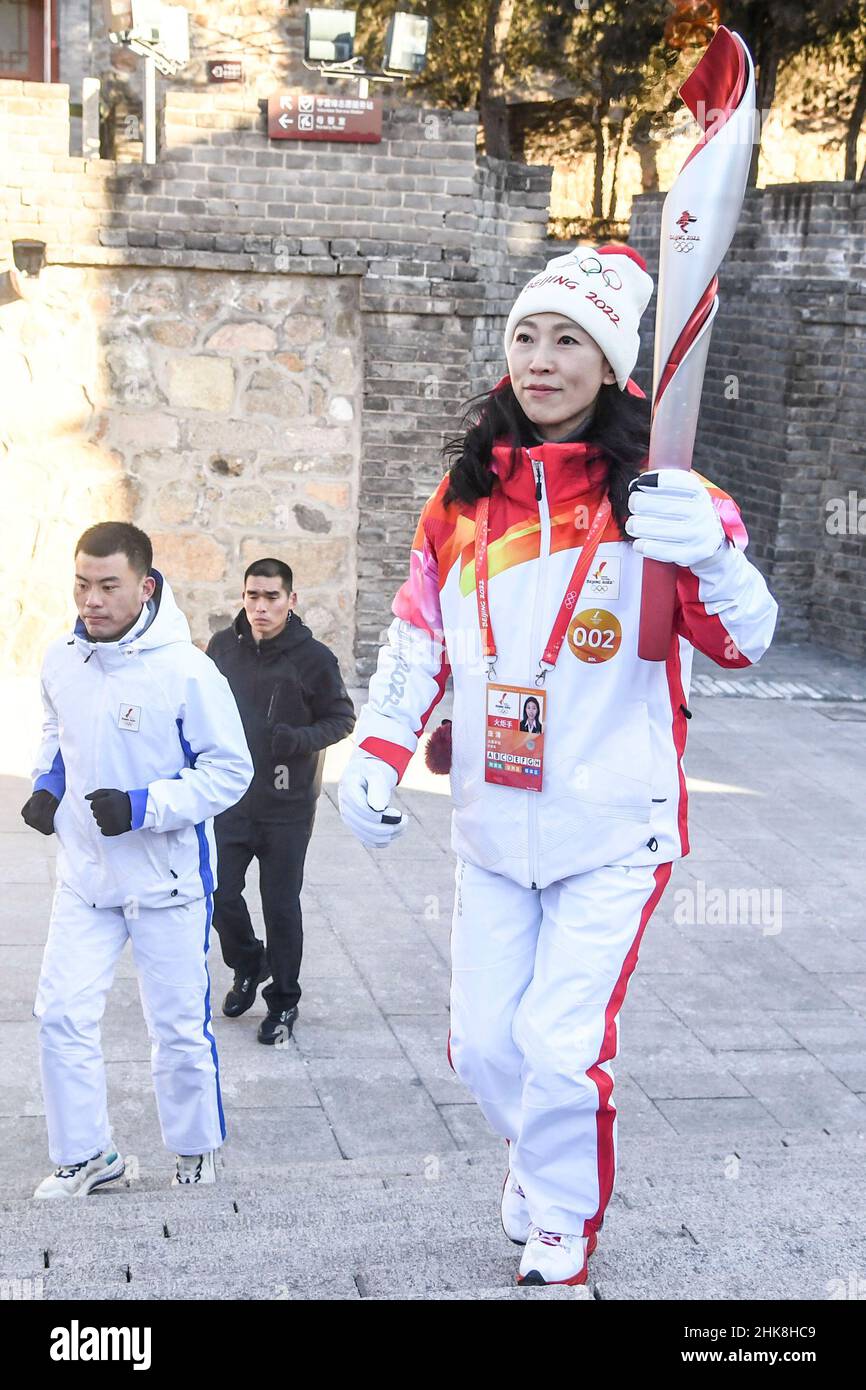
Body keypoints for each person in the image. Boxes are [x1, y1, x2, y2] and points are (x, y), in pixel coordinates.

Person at [338, 245, 778, 1286]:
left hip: (613, 826)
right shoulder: (458, 502)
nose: (540, 360)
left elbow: (743, 639)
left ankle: (561, 1228)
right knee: (485, 1051)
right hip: (493, 823)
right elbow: (416, 641)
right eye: (524, 336)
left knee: (557, 1044)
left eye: (567, 340)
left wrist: (709, 554)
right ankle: (534, 1159)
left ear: (610, 362)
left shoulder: (667, 498)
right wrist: (376, 752)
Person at [22, 522, 253, 1197]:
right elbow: (56, 732)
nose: (91, 600)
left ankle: (195, 1152)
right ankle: (89, 1155)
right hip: (86, 881)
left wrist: (147, 804)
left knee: (177, 1030)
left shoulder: (187, 671)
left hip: (167, 884)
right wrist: (47, 786)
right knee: (60, 1016)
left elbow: (230, 771)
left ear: (144, 587)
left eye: (107, 586)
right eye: (82, 585)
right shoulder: (62, 657)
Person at [206, 559, 355, 1044]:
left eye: (272, 597)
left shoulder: (314, 659)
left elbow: (341, 719)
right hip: (230, 798)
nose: (261, 606)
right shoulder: (223, 648)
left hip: (288, 807)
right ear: (243, 597)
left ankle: (284, 1003)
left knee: (280, 905)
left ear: (291, 601)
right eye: (253, 595)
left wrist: (299, 737)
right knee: (218, 893)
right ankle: (250, 960)